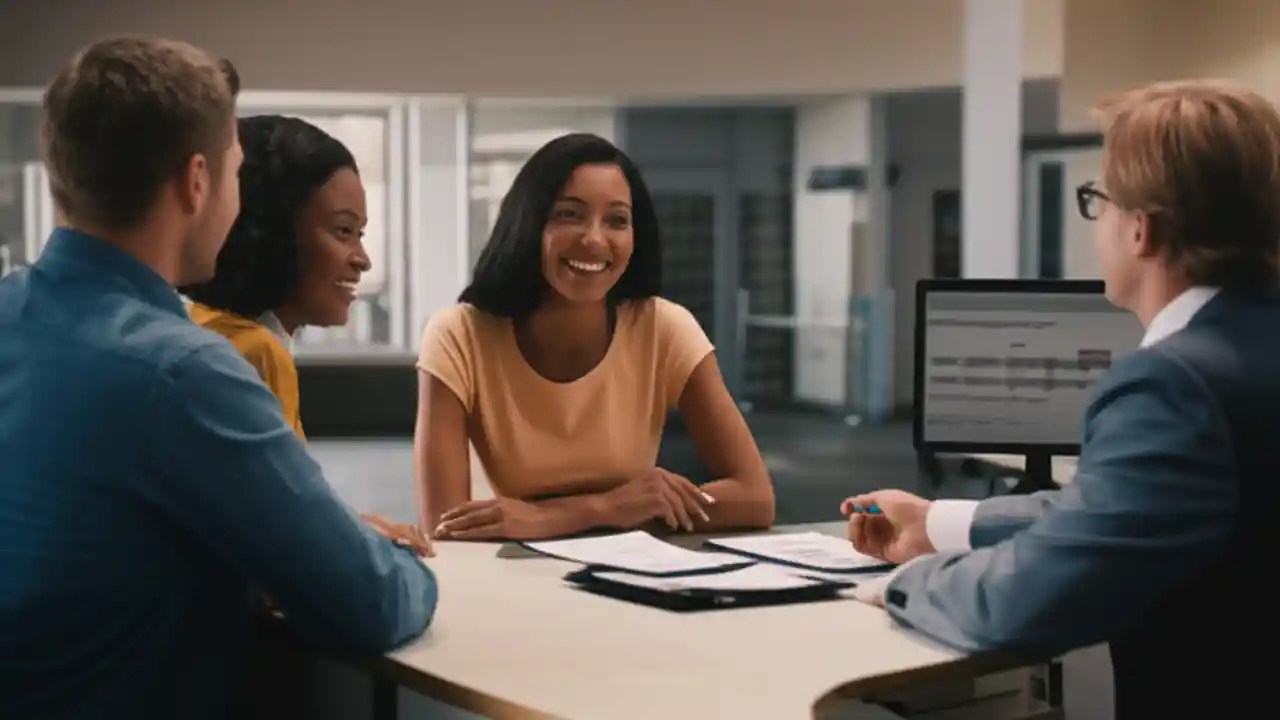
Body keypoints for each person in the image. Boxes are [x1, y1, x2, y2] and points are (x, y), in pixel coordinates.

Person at [0, 37, 436, 719]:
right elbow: (369, 603)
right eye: (235, 172)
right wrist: (408, 568)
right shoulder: (183, 372)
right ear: (196, 181)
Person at [843, 80, 1280, 718]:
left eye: (1099, 200)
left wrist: (908, 582)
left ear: (1142, 230)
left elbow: (1025, 603)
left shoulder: (1175, 386)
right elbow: (1128, 510)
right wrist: (941, 524)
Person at [416, 133, 774, 540]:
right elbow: (445, 528)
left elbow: (754, 497)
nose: (594, 239)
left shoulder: (664, 328)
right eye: (569, 214)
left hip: (630, 575)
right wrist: (610, 507)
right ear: (529, 224)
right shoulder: (459, 335)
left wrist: (576, 515)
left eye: (617, 220)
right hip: (506, 574)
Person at [181, 114, 372, 437]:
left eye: (360, 234)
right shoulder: (259, 354)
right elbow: (293, 490)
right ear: (274, 230)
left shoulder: (198, 326)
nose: (363, 261)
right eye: (343, 231)